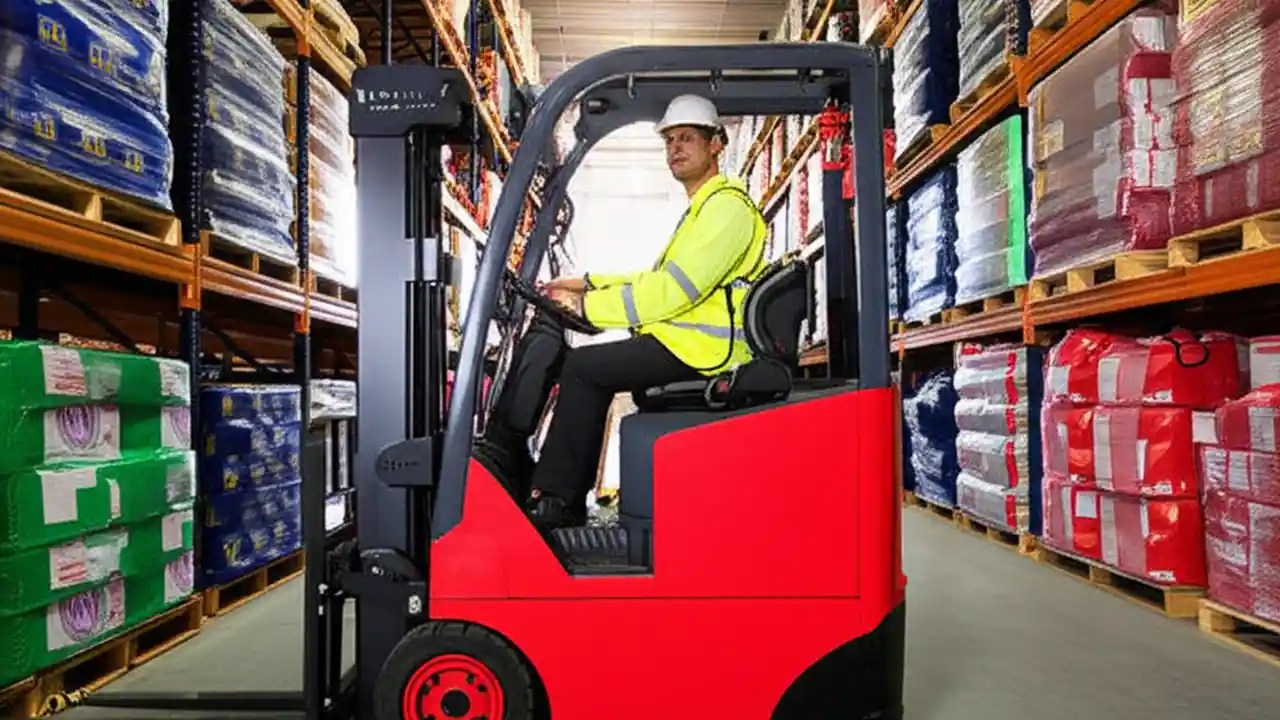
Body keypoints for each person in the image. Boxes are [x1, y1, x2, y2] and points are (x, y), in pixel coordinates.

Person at [516, 94, 770, 530]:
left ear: (716, 145)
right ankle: (562, 495)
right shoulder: (704, 209)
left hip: (706, 351)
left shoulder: (726, 209)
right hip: (688, 343)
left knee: (582, 368)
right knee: (587, 367)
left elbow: (674, 291)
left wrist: (589, 308)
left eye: (687, 138)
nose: (675, 148)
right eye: (669, 140)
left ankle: (557, 503)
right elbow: (657, 279)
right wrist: (589, 282)